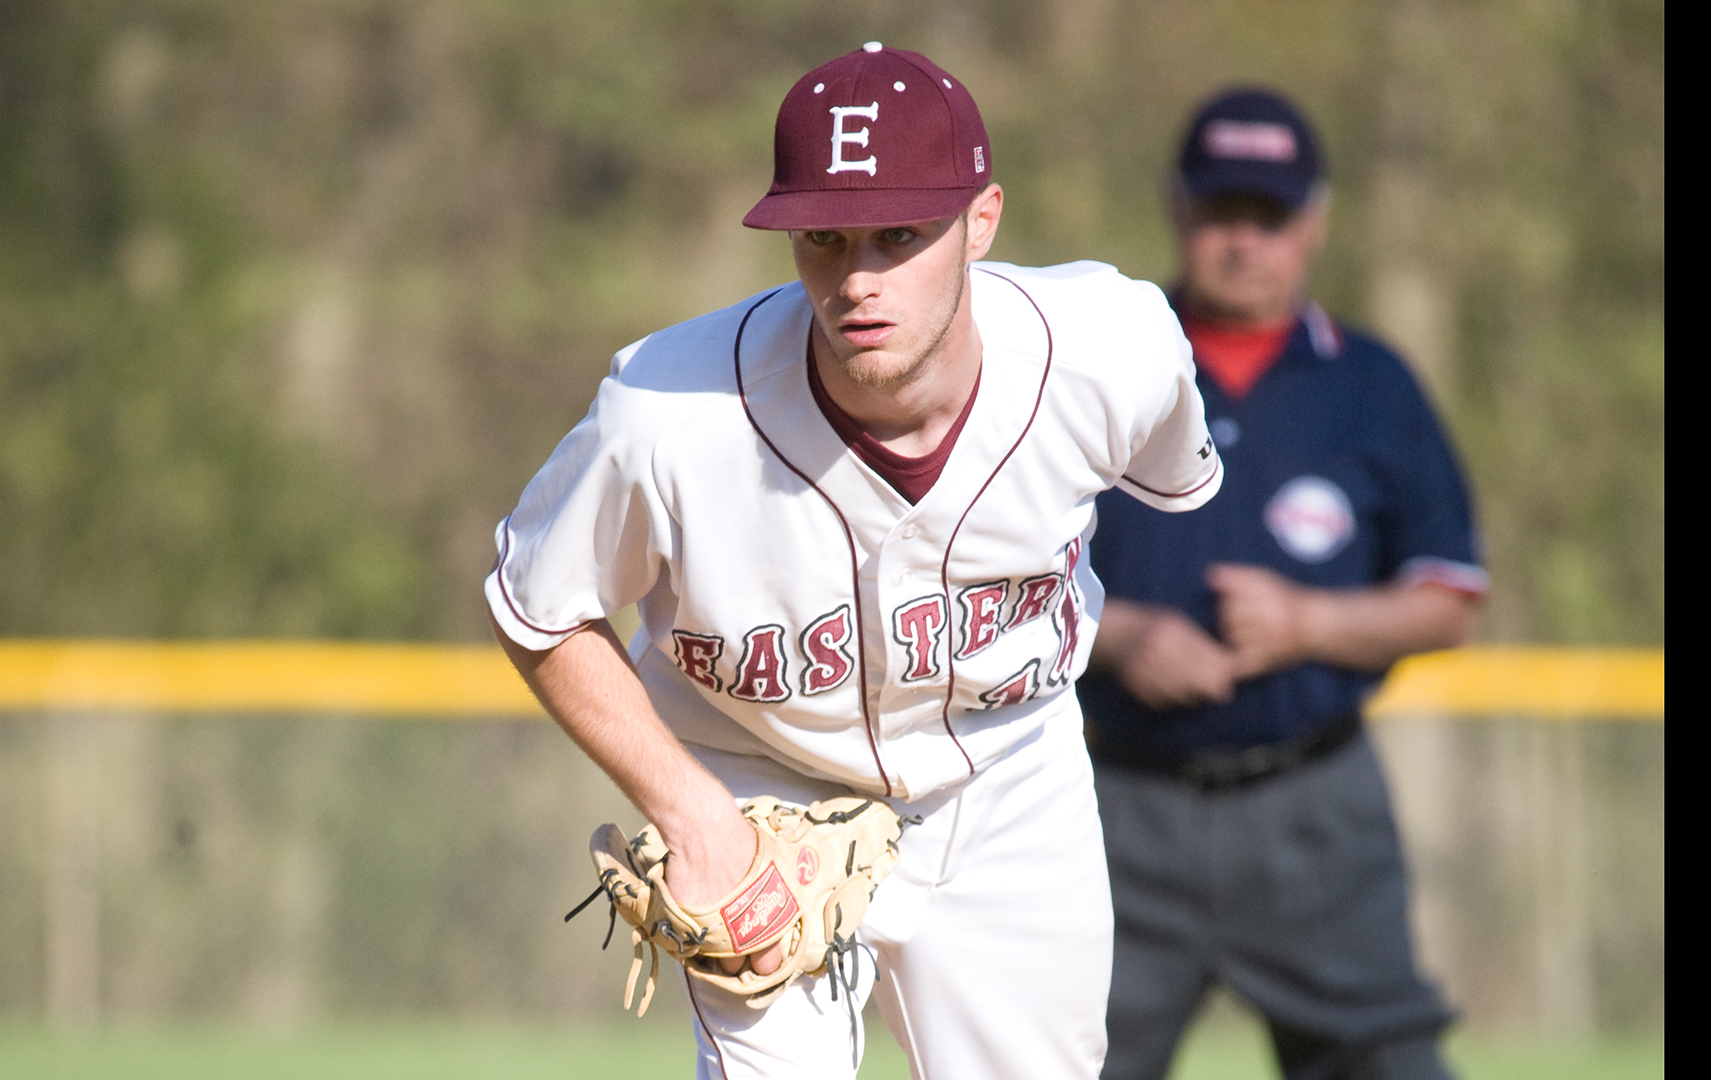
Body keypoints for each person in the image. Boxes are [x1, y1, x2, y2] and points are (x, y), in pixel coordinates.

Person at [487, 43, 1221, 1080]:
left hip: (1005, 776)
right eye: (823, 238)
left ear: (982, 221)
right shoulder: (665, 414)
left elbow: (1174, 484)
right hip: (755, 784)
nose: (858, 279)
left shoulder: (1113, 350)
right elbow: (536, 607)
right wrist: (689, 811)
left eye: (900, 235)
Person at [1077, 88, 1487, 1080]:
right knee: (1054, 1062)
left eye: (1270, 217)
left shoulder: (1374, 387)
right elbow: (985, 582)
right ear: (1179, 210)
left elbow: (1448, 601)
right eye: (1223, 213)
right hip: (1116, 805)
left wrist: (1311, 623)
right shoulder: (1095, 371)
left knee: (1389, 1064)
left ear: (1315, 222)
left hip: (1315, 809)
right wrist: (1120, 633)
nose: (1244, 242)